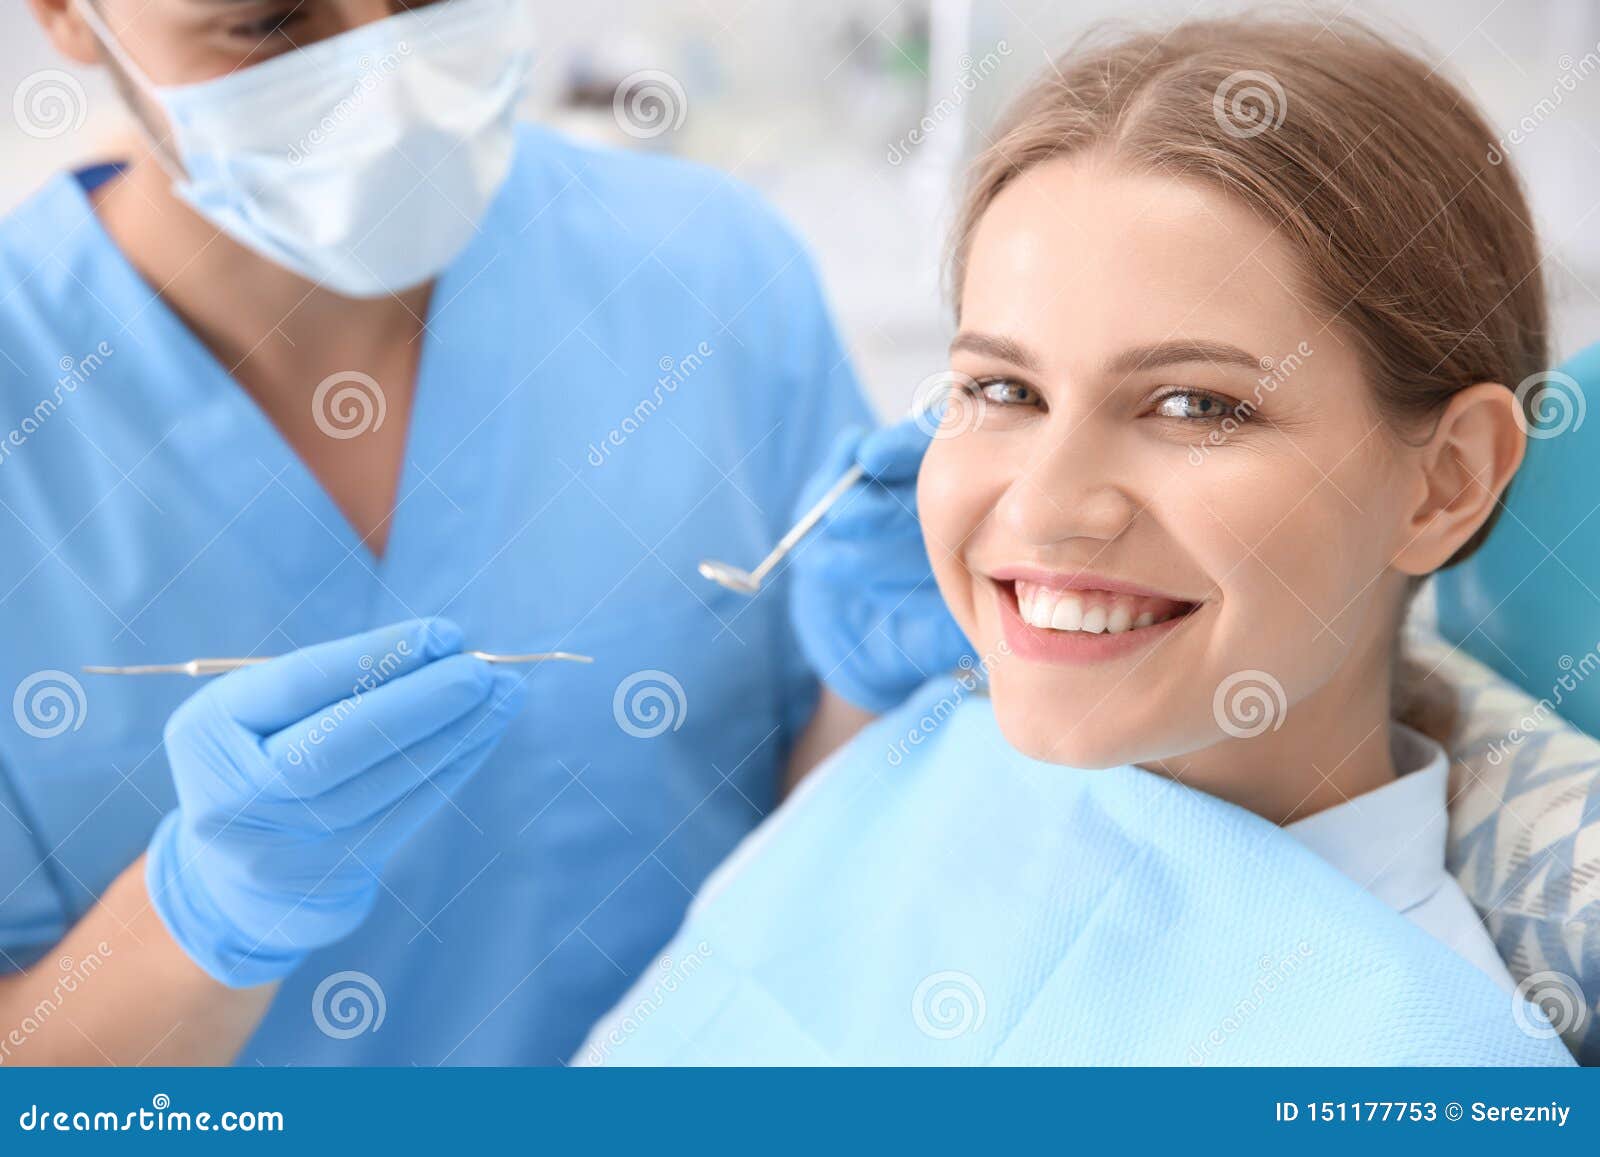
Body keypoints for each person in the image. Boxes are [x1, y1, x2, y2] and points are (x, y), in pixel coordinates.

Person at [580, 16, 1576, 1065]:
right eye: (1004, 388)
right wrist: (853, 709)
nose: (1044, 507)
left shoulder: (1425, 1072)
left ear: (1447, 481)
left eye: (1194, 405)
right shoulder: (917, 764)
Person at [0, 0, 964, 1065]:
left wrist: (863, 696)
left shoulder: (708, 270)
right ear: (66, 17)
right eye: (268, 22)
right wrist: (195, 923)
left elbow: (826, 864)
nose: (384, 78)